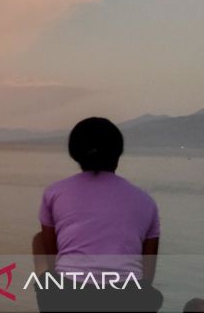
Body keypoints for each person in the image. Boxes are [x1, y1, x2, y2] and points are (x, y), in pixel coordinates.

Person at [32, 117, 163, 312]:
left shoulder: (54, 193)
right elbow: (147, 272)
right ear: (118, 154)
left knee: (39, 239)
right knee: (152, 293)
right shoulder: (146, 200)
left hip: (66, 298)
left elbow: (53, 253)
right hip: (129, 300)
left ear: (75, 154)